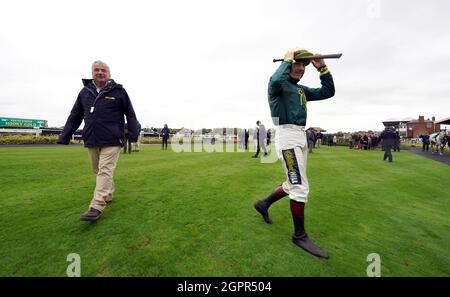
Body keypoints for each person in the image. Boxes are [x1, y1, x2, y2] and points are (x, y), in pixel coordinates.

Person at [253, 47, 335, 259]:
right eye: (297, 64)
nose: (300, 68)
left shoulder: (301, 90)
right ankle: (299, 235)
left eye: (303, 65)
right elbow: (275, 80)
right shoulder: (278, 86)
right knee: (299, 186)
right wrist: (287, 60)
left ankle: (263, 204)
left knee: (292, 183)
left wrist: (322, 68)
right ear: (289, 64)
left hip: (300, 137)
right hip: (287, 136)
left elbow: (328, 92)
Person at [57, 60, 140, 221]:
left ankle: (96, 205)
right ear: (92, 73)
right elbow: (75, 116)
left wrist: (133, 134)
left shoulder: (119, 91)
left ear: (109, 74)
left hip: (113, 139)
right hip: (92, 139)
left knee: (104, 170)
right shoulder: (84, 93)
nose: (100, 72)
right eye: (97, 70)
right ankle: (107, 193)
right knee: (98, 169)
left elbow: (130, 114)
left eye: (103, 70)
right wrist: (64, 136)